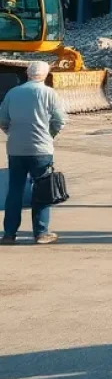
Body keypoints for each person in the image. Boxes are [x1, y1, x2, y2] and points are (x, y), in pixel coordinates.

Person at [0, 61, 66, 245]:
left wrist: (12, 134)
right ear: (45, 75)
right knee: (42, 189)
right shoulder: (49, 94)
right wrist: (49, 134)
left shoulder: (13, 93)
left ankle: (9, 234)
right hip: (41, 149)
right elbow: (60, 120)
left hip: (16, 149)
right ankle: (41, 232)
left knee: (15, 190)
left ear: (27, 74)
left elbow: (3, 120)